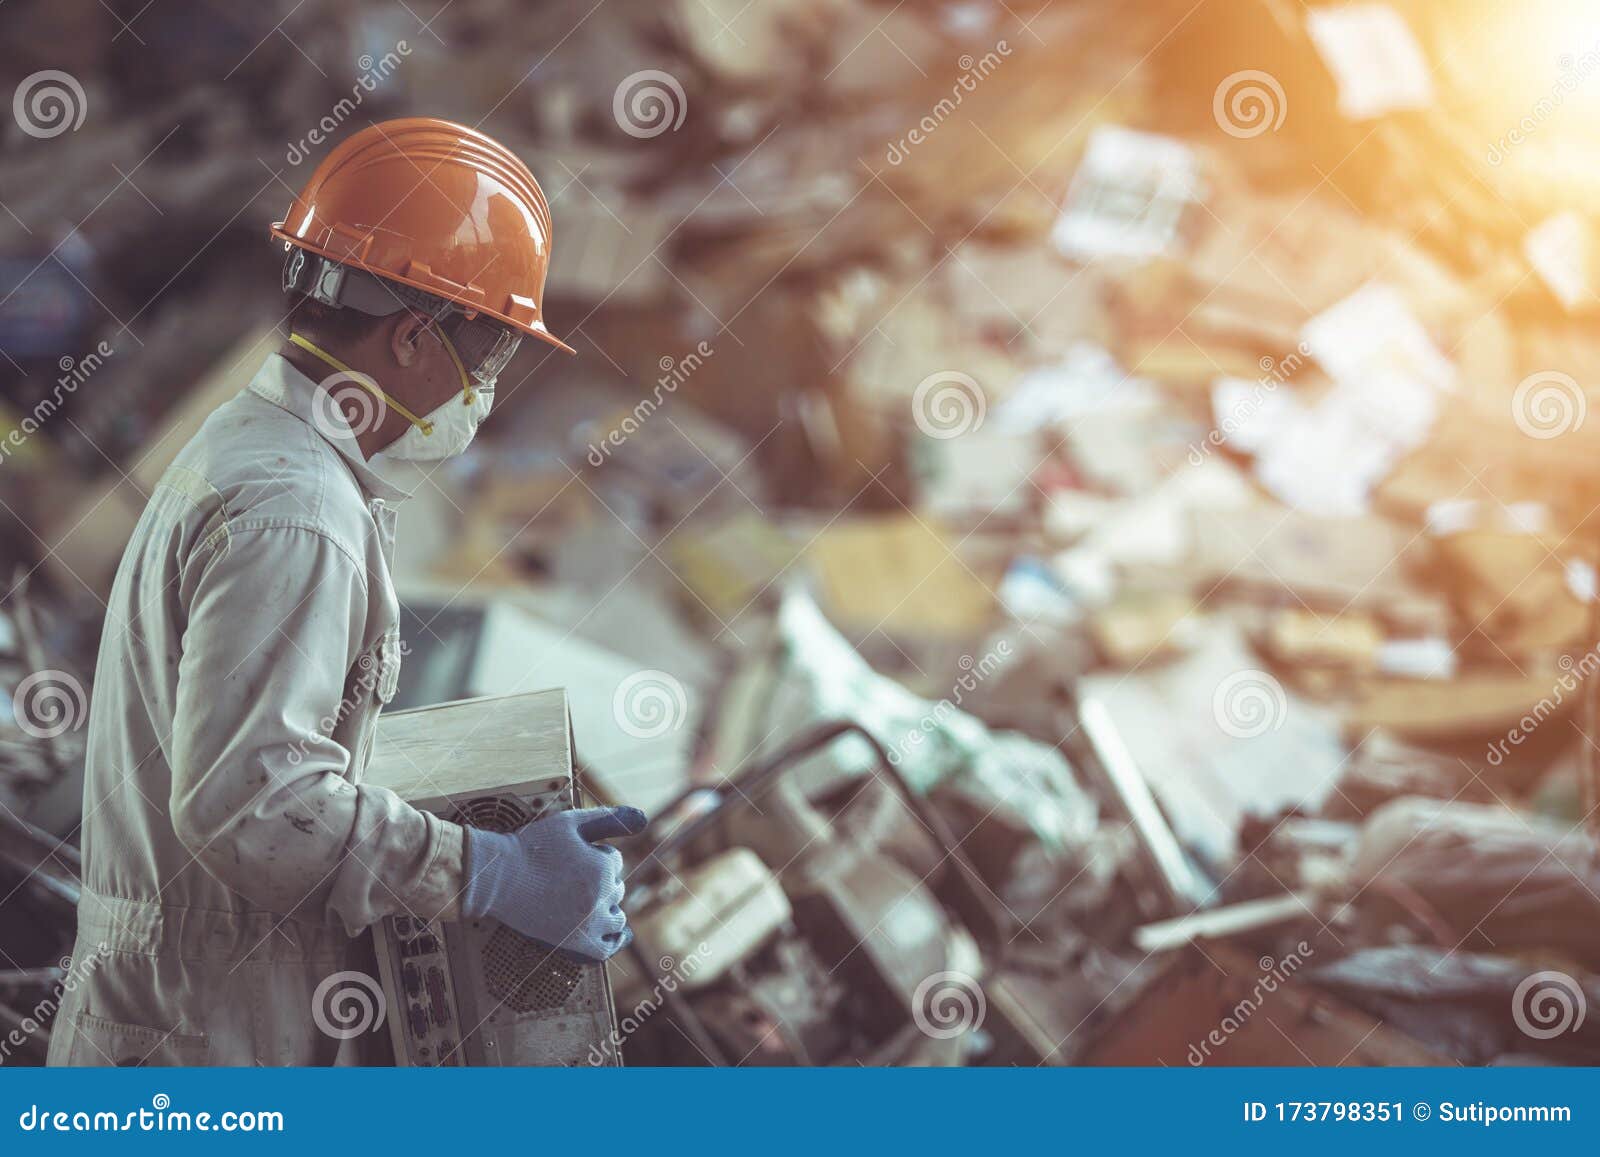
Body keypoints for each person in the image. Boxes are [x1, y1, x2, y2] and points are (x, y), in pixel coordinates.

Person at [48, 117, 646, 1066]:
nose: (485, 389)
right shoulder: (298, 511)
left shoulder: (251, 448)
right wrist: (491, 870)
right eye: (486, 355)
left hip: (186, 1011)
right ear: (413, 334)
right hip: (208, 1044)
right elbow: (252, 803)